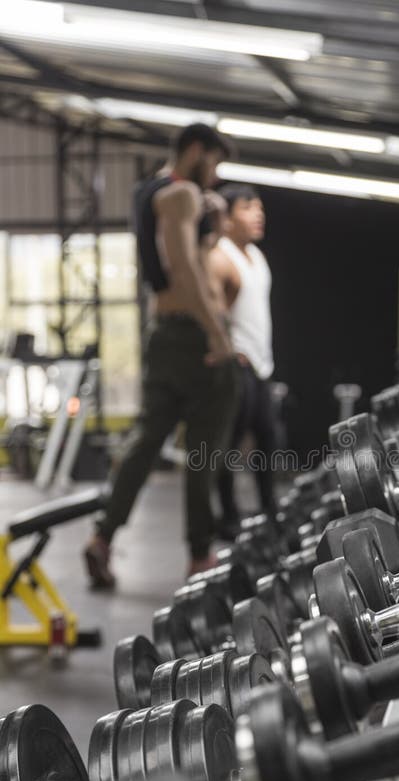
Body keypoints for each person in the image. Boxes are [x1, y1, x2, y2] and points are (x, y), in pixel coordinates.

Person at [84, 123, 238, 588]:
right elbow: (183, 266)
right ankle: (199, 557)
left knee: (147, 440)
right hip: (193, 337)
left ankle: (103, 537)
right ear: (196, 151)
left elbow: (180, 249)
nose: (214, 176)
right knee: (203, 451)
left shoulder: (151, 191)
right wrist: (216, 334)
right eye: (213, 162)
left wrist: (211, 221)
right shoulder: (183, 194)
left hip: (162, 335)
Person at [210, 184, 278, 537]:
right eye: (248, 208)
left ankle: (270, 510)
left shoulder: (257, 257)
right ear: (227, 216)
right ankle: (229, 516)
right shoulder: (220, 256)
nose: (258, 215)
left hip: (261, 363)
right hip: (237, 363)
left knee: (268, 438)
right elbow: (212, 311)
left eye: (260, 209)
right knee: (229, 444)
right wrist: (227, 350)